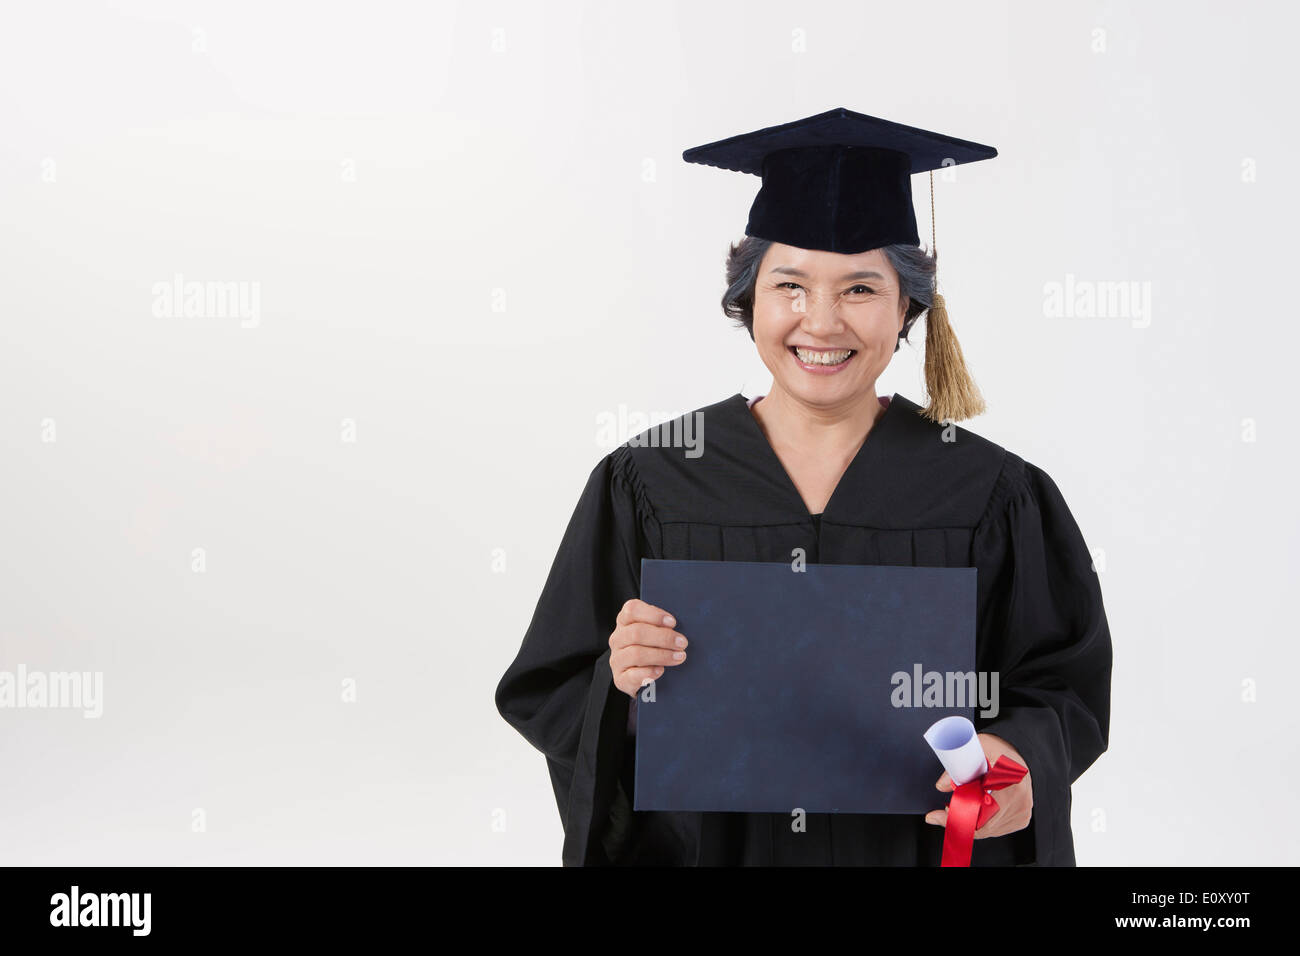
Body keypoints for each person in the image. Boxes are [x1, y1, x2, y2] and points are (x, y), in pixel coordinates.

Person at [495, 107, 1112, 866]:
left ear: (908, 306)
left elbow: (1065, 689)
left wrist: (1014, 761)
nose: (820, 322)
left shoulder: (992, 492)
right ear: (747, 297)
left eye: (860, 289)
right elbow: (549, 689)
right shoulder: (649, 481)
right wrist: (620, 688)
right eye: (789, 284)